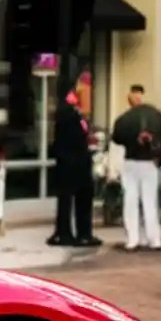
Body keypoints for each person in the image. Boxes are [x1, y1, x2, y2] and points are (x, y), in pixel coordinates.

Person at [110, 85, 161, 251]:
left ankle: (133, 239)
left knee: (131, 200)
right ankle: (154, 238)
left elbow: (116, 139)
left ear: (130, 97)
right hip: (150, 161)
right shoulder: (157, 115)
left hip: (131, 161)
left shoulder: (124, 119)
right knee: (150, 201)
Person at [48, 88, 101, 247]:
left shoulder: (72, 114)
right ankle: (80, 234)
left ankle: (67, 233)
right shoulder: (69, 114)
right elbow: (72, 140)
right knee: (79, 199)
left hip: (71, 163)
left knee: (68, 200)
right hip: (75, 164)